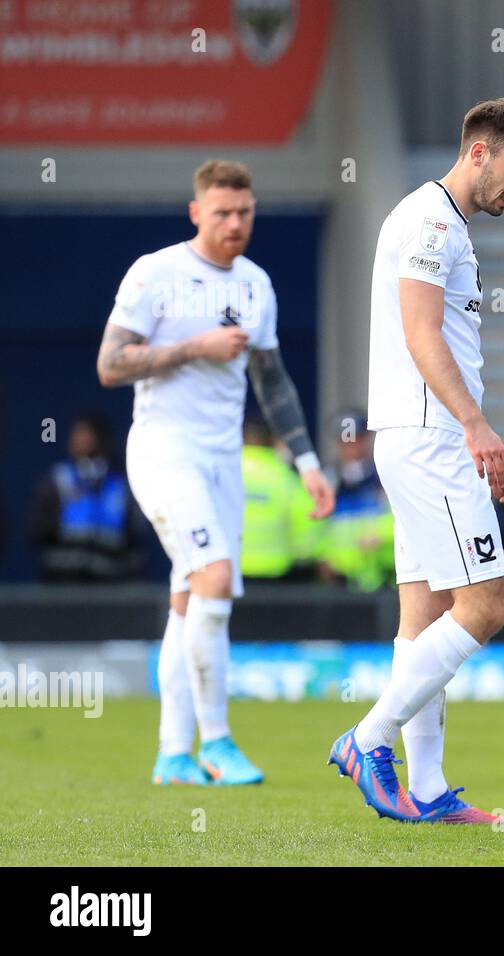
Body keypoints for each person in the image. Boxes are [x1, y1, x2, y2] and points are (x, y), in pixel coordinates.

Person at [328, 99, 504, 823]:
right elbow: (423, 334)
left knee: (422, 619)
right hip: (431, 437)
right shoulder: (429, 223)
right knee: (487, 606)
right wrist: (475, 424)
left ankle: (425, 789)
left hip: (413, 434)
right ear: (479, 152)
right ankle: (368, 739)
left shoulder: (442, 222)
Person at [97, 159, 335, 787]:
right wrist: (194, 347)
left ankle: (172, 755)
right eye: (223, 213)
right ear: (197, 212)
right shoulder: (157, 274)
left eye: (245, 212)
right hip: (163, 452)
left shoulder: (256, 285)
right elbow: (111, 363)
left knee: (191, 603)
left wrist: (307, 462)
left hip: (222, 459)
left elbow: (272, 381)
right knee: (216, 578)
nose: (235, 224)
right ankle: (218, 742)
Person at [28, 413, 146, 582]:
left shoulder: (120, 487)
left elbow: (135, 540)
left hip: (110, 584)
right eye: (76, 434)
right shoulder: (58, 480)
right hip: (62, 582)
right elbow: (38, 531)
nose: (79, 439)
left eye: (85, 433)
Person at [319, 409, 395, 592]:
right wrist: (322, 555)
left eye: (356, 439)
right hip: (338, 575)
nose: (351, 445)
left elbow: (400, 513)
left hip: (379, 573)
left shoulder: (384, 476)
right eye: (345, 440)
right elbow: (318, 522)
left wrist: (380, 535)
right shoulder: (328, 479)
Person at [241, 416, 319, 582]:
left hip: (231, 569)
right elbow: (307, 520)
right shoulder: (284, 475)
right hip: (276, 573)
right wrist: (303, 556)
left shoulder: (225, 473)